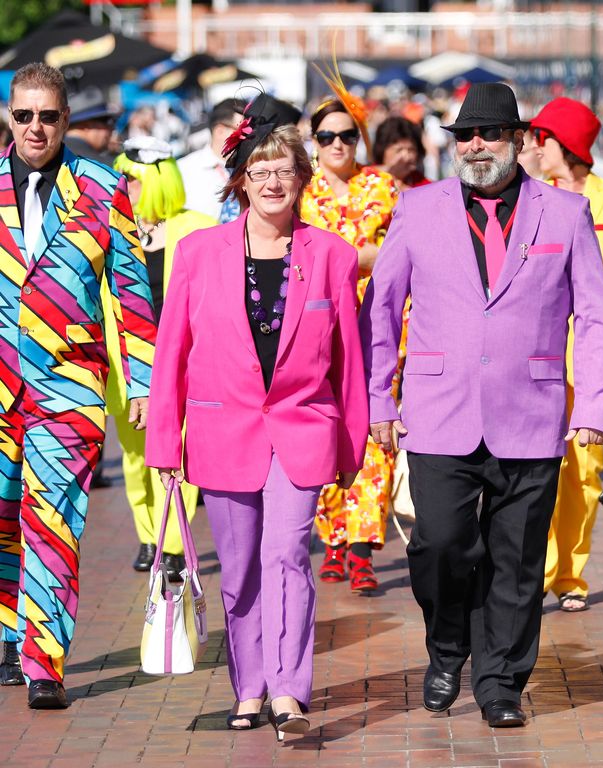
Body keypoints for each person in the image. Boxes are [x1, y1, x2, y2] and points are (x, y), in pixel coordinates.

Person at [360, 82, 603, 727]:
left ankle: (501, 681)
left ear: (519, 140)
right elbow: (381, 308)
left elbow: (594, 315)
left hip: (531, 411)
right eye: (465, 135)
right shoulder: (417, 209)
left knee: (518, 559)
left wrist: (593, 405)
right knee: (440, 545)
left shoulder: (566, 214)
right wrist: (378, 399)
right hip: (438, 408)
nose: (476, 145)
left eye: (490, 134)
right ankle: (448, 646)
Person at [144, 94, 368, 737]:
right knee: (240, 570)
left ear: (302, 177)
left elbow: (348, 361)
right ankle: (250, 687)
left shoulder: (332, 255)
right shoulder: (197, 253)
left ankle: (289, 690)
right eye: (259, 170)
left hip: (302, 429)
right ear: (240, 180)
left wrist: (351, 448)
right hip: (221, 432)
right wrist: (164, 446)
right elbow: (172, 353)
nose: (272, 182)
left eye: (284, 170)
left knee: (288, 555)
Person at [0, 63, 155, 708]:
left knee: (54, 522)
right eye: (24, 115)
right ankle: (10, 636)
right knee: (5, 516)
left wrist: (143, 381)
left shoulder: (103, 187)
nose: (36, 128)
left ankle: (44, 664)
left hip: (69, 387)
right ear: (10, 118)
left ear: (66, 120)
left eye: (49, 116)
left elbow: (131, 291)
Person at [300, 95, 398, 591]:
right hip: (314, 326)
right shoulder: (299, 190)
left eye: (347, 135)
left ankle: (361, 548)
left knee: (375, 430)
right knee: (320, 426)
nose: (337, 144)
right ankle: (333, 540)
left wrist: (351, 258)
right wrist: (362, 256)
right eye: (326, 136)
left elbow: (400, 252)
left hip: (377, 321)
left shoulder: (383, 186)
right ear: (313, 141)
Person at [530, 97, 603, 612]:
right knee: (534, 466)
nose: (533, 146)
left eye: (540, 137)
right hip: (538, 354)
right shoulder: (533, 198)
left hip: (590, 359)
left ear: (561, 143)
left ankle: (570, 575)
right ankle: (536, 571)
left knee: (584, 472)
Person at [110, 137, 217, 578]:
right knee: (135, 457)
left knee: (178, 452)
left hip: (182, 362)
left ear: (155, 180)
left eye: (130, 178)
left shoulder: (198, 227)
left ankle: (172, 544)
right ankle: (148, 535)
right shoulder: (112, 229)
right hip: (127, 363)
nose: (122, 185)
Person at [177, 98, 245, 220]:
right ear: (220, 131)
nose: (249, 137)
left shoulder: (254, 169)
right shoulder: (183, 170)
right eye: (243, 132)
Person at [65, 86, 121, 165]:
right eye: (106, 121)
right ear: (85, 126)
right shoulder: (88, 160)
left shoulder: (58, 152)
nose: (111, 128)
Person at [373, 115, 430, 191]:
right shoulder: (365, 179)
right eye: (399, 150)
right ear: (382, 151)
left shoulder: (425, 186)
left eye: (411, 150)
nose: (406, 157)